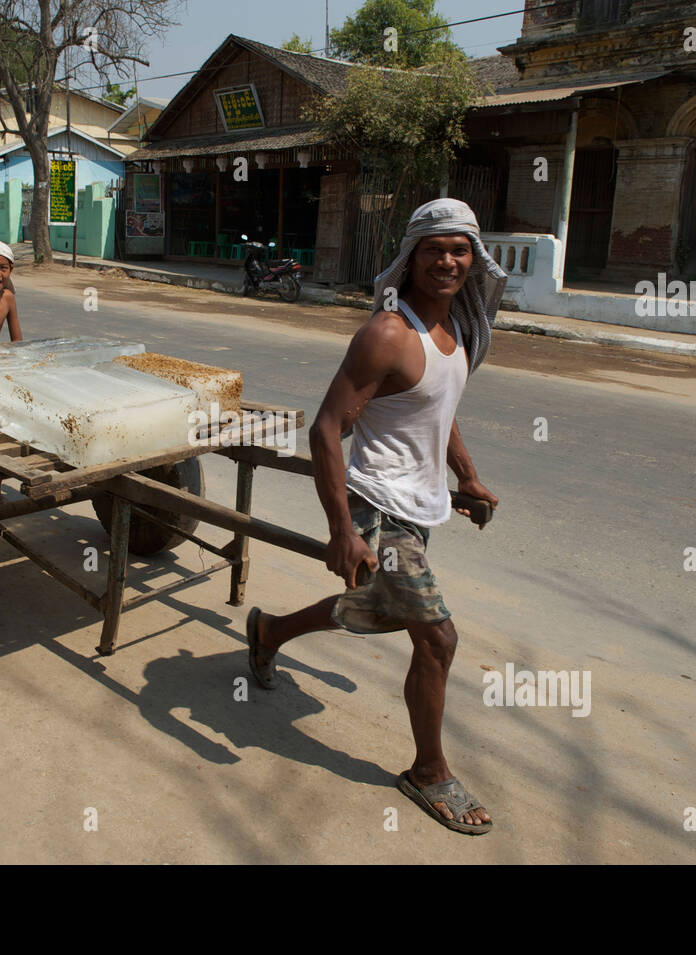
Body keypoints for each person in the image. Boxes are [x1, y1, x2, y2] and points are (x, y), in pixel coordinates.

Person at [246, 198, 506, 836]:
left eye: (459, 250)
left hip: (416, 507)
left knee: (385, 609)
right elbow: (328, 429)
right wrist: (341, 529)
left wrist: (465, 476)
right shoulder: (388, 334)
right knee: (436, 636)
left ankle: (270, 632)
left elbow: (437, 410)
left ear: (474, 260)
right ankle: (428, 770)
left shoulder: (457, 334)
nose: (447, 261)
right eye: (433, 249)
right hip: (374, 505)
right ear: (410, 257)